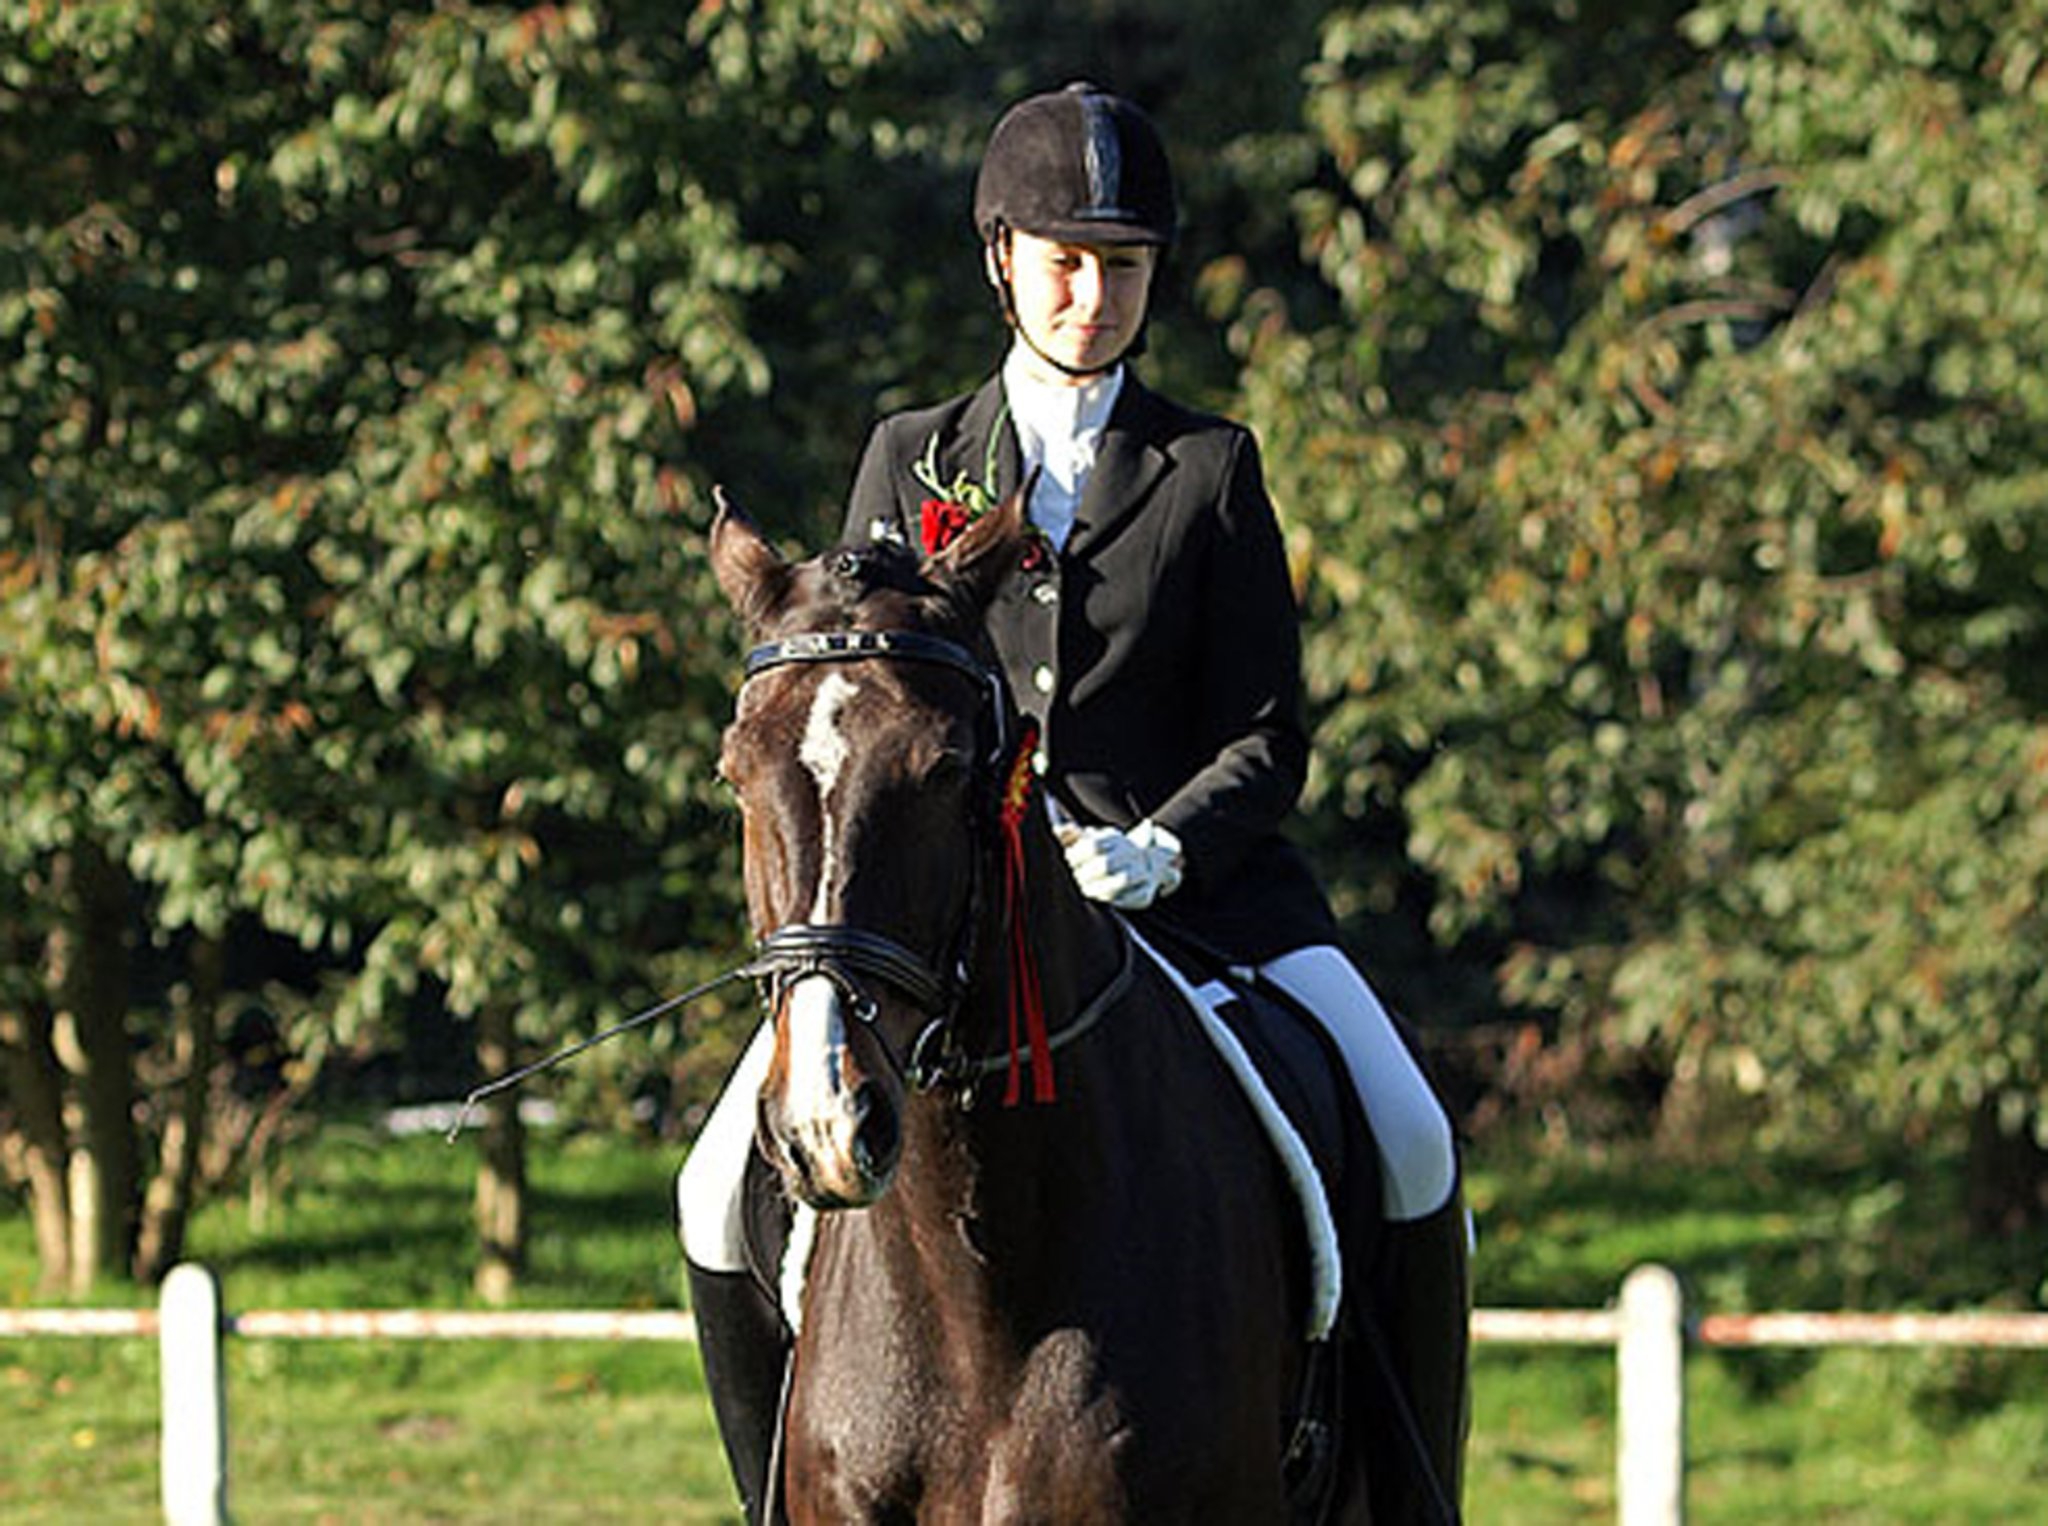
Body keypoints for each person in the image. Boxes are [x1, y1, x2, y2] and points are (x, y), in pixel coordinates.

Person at [679, 82, 1468, 1525]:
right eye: (1063, 259)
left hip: (1194, 895)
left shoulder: (1209, 468)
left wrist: (1164, 843)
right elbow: (866, 701)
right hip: (946, 908)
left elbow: (1268, 733)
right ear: (1003, 259)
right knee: (704, 1185)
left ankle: (1408, 1491)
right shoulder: (910, 453)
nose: (1091, 294)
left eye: (1121, 266)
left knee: (1411, 1133)